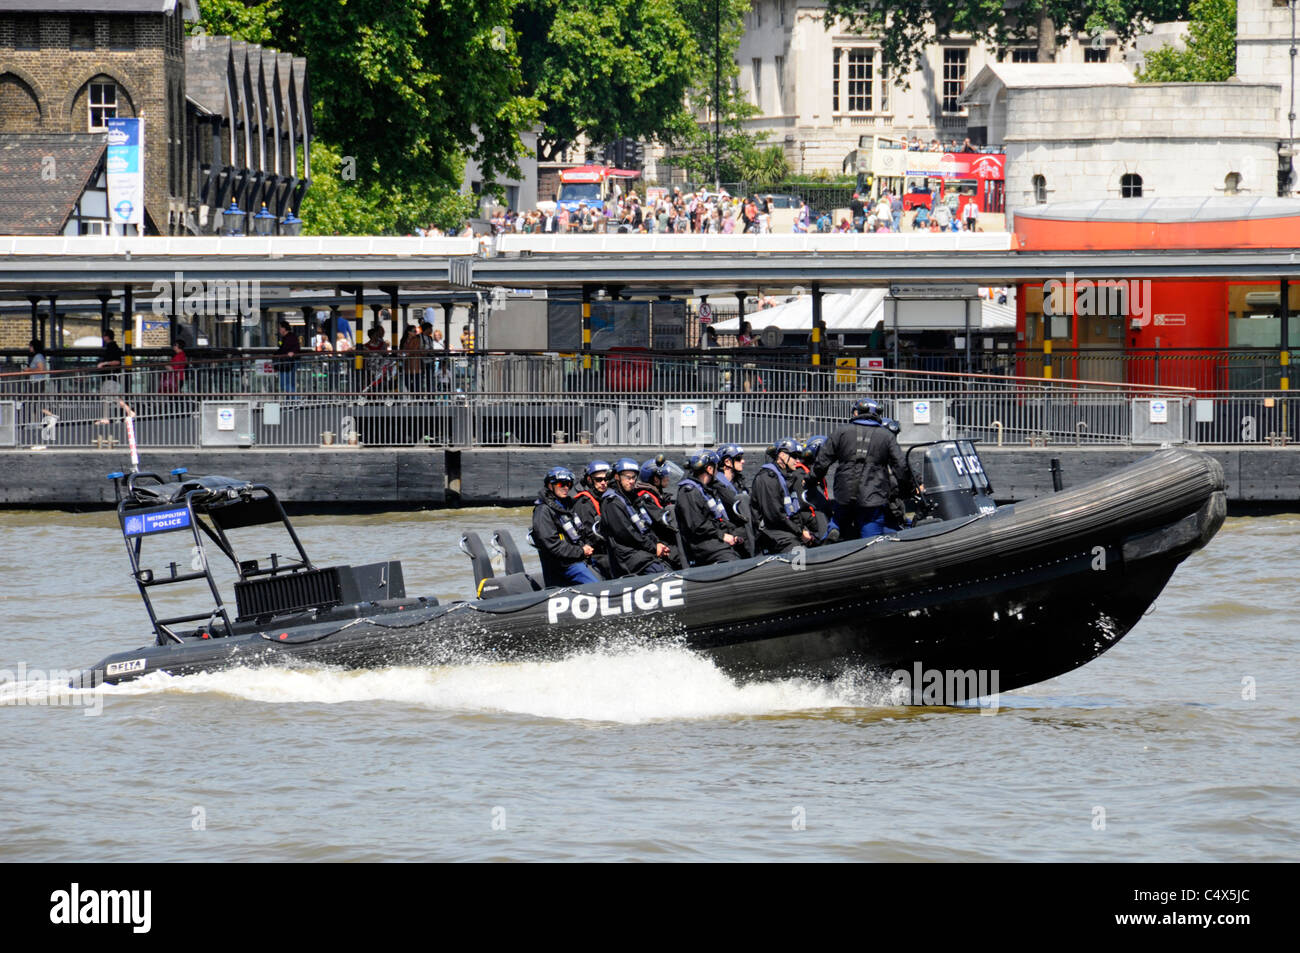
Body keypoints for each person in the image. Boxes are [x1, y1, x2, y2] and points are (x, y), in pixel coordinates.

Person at [813, 397, 913, 539]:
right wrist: (906, 489)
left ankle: (834, 529)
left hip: (844, 494)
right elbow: (901, 466)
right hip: (872, 496)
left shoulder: (841, 432)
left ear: (855, 413)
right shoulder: (886, 436)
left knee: (840, 517)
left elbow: (822, 461)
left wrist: (811, 479)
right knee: (871, 534)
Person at [601, 457, 678, 576]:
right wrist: (653, 547)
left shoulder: (631, 498)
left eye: (633, 477)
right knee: (661, 573)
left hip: (642, 550)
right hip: (627, 555)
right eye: (627, 477)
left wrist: (658, 544)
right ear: (617, 477)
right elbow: (627, 534)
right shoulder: (612, 502)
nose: (631, 481)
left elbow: (646, 526)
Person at [532, 467, 603, 587]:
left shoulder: (567, 505)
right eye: (562, 484)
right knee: (597, 586)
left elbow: (581, 532)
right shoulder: (543, 511)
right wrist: (581, 551)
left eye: (569, 484)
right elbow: (552, 545)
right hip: (564, 565)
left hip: (579, 558)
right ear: (550, 485)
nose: (566, 488)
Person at [674, 449, 742, 566]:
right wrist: (722, 535)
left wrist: (731, 534)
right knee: (732, 560)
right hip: (701, 544)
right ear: (709, 469)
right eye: (716, 467)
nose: (718, 471)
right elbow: (698, 526)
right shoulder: (689, 492)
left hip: (712, 537)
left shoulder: (707, 489)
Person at [751, 438, 813, 554]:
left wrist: (803, 530)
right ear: (782, 455)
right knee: (801, 556)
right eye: (794, 456)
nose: (797, 460)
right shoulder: (767, 479)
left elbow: (793, 511)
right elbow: (775, 516)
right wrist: (800, 533)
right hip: (772, 534)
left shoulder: (787, 478)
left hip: (786, 531)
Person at [572, 460, 613, 577]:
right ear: (590, 480)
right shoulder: (584, 504)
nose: (603, 483)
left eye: (606, 479)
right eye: (599, 480)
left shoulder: (608, 498)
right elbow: (590, 535)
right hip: (596, 553)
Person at [273, 319, 300, 394]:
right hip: (287, 363)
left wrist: (292, 352)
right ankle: (292, 402)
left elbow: (294, 348)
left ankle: (295, 400)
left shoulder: (290, 337)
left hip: (288, 364)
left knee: (285, 385)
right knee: (289, 384)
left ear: (284, 328)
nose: (279, 330)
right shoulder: (288, 337)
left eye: (280, 328)